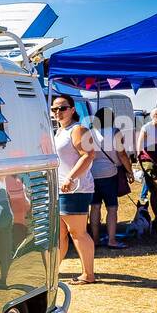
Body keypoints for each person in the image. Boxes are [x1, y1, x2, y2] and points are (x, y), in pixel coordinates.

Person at [50, 97, 97, 284]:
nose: (57, 112)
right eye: (54, 109)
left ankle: (88, 274)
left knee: (78, 232)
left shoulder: (78, 129)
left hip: (76, 188)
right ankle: (53, 272)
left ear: (72, 109)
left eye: (62, 108)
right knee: (60, 233)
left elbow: (89, 155)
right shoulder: (60, 131)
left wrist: (71, 177)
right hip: (62, 188)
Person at [88, 106, 132, 249]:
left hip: (92, 173)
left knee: (94, 207)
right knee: (112, 208)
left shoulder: (90, 133)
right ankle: (111, 240)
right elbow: (122, 154)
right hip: (110, 173)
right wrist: (129, 170)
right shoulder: (115, 132)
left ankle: (95, 239)